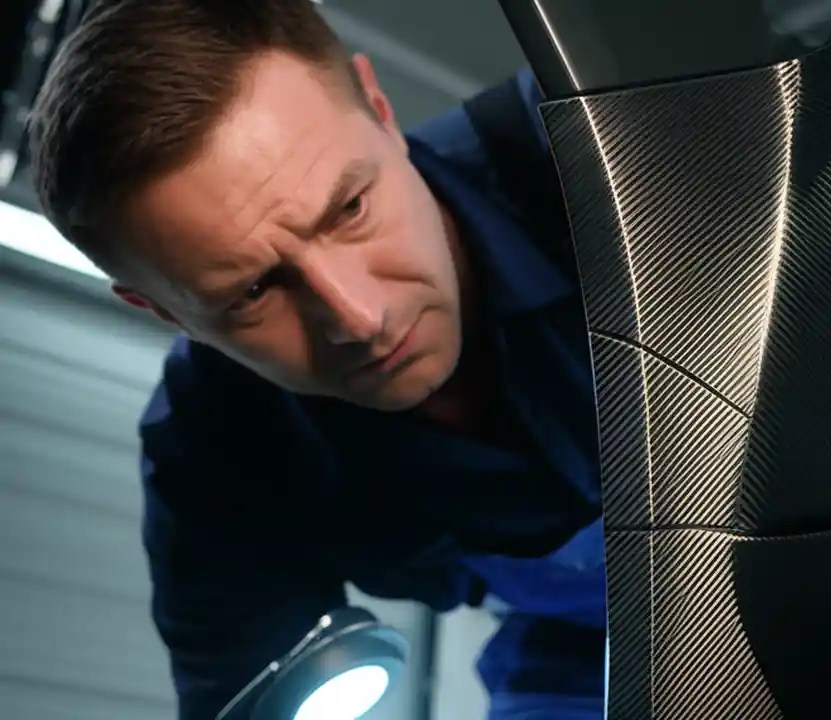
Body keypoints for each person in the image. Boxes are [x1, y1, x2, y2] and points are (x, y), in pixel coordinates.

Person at [27, 1, 606, 718]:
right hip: (584, 649)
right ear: (168, 313)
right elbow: (243, 692)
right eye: (255, 290)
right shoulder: (212, 455)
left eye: (349, 209)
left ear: (379, 107)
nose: (360, 318)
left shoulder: (607, 155)